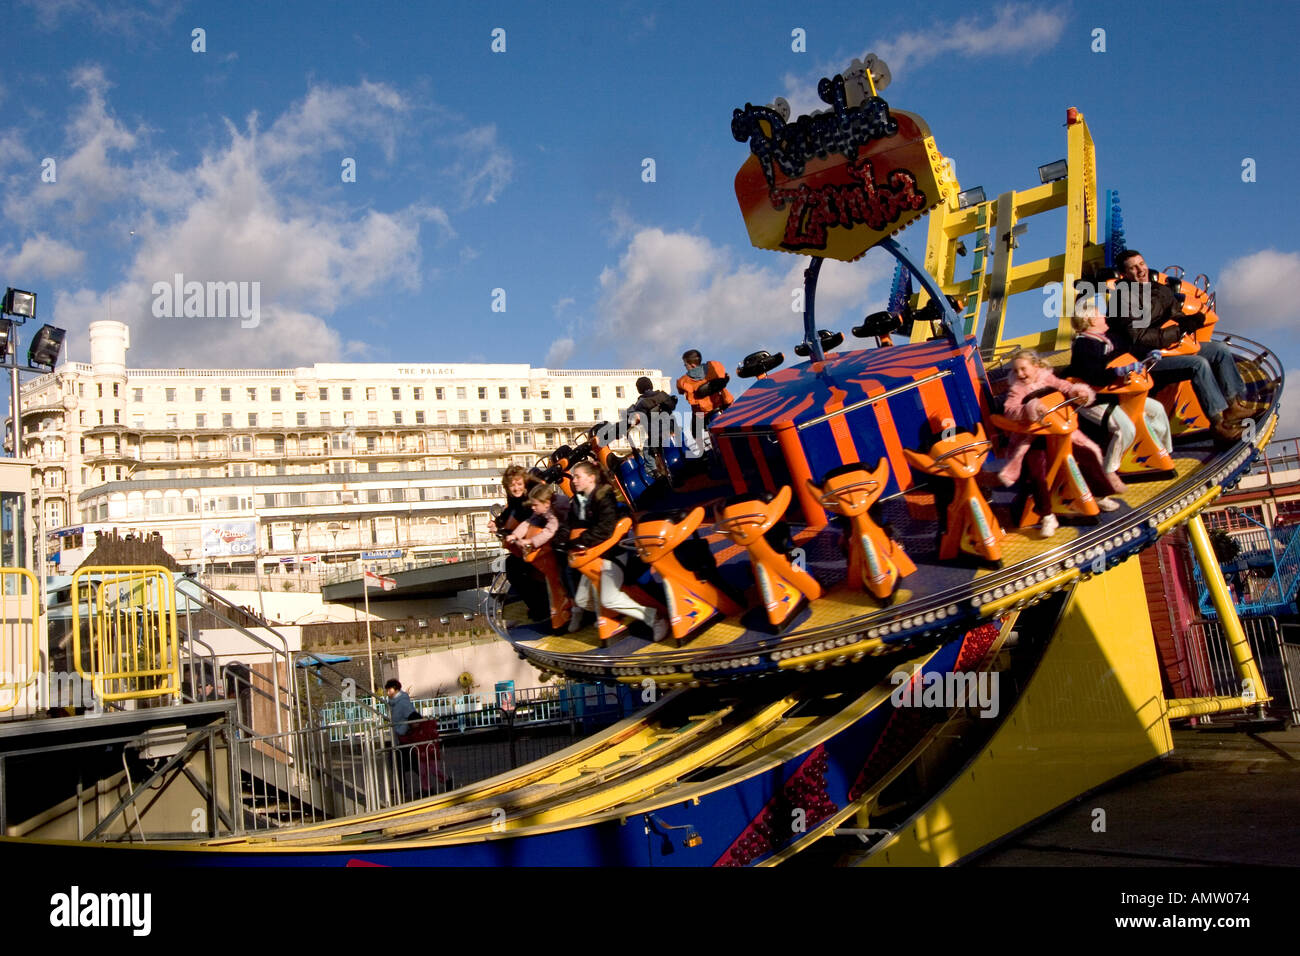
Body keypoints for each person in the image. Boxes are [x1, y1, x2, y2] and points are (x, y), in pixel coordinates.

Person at [1107, 249, 1261, 441]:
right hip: (1145, 359)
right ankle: (1218, 424)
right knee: (1198, 364)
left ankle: (1234, 406)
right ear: (1124, 274)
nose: (1141, 270)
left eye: (1142, 264)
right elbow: (1138, 337)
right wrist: (1178, 331)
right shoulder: (1122, 299)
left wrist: (1190, 321)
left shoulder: (1159, 290)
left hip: (1168, 347)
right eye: (1133, 268)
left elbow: (1174, 314)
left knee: (1219, 350)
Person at [997, 349, 1124, 538]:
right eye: (1016, 371)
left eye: (1024, 369)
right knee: (1036, 471)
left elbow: (1064, 386)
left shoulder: (1048, 379)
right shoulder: (1017, 389)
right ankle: (1047, 515)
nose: (1020, 374)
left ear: (1036, 366)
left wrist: (1078, 393)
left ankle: (1099, 494)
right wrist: (1030, 408)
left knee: (1087, 454)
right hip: (1034, 437)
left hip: (1059, 433)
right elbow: (1010, 410)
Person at [564, 460, 668, 640]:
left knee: (608, 599)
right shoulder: (582, 501)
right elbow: (572, 525)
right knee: (582, 600)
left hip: (613, 555)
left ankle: (655, 618)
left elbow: (605, 529)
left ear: (591, 478)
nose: (573, 481)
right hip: (593, 556)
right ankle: (614, 612)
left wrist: (578, 541)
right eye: (573, 477)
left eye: (577, 477)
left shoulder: (605, 498)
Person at [1069, 296, 1173, 472]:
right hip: (1094, 398)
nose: (1104, 317)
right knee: (1125, 429)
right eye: (1100, 314)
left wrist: (1148, 353)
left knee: (1157, 410)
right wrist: (1117, 372)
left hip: (1116, 394)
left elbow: (1129, 349)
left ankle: (1163, 451)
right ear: (1091, 320)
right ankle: (1109, 470)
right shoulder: (1083, 345)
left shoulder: (1108, 340)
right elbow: (1093, 375)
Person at [493, 466, 548, 620]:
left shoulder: (533, 495)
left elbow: (530, 517)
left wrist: (511, 533)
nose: (516, 488)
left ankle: (542, 607)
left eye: (519, 484)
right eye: (512, 485)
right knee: (513, 566)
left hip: (542, 538)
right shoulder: (515, 498)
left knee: (520, 567)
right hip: (529, 539)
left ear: (525, 483)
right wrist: (498, 523)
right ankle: (538, 606)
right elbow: (511, 511)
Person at [626, 377, 678, 480]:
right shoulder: (663, 395)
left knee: (647, 448)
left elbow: (633, 417)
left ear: (639, 389)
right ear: (651, 385)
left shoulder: (640, 403)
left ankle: (654, 473)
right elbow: (672, 404)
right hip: (672, 431)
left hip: (656, 437)